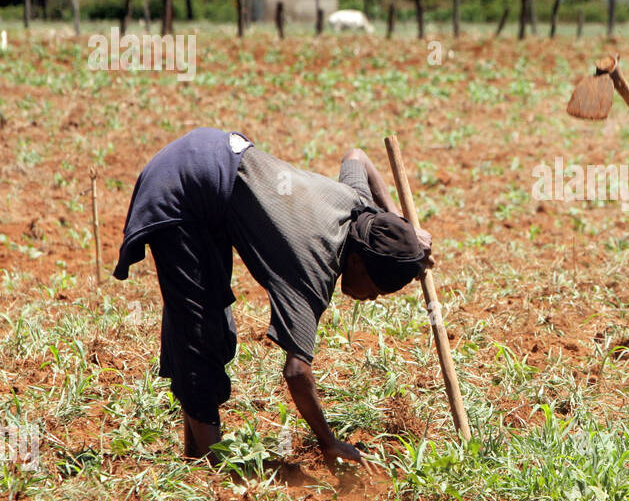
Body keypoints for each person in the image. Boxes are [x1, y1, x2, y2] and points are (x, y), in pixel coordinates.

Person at [112, 127, 432, 469]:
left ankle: (197, 453)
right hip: (179, 187)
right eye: (375, 288)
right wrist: (329, 441)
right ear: (356, 260)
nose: (370, 298)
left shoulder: (359, 210)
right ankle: (207, 467)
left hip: (212, 165)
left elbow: (357, 157)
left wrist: (401, 225)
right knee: (200, 332)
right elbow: (297, 372)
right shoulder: (314, 266)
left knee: (212, 328)